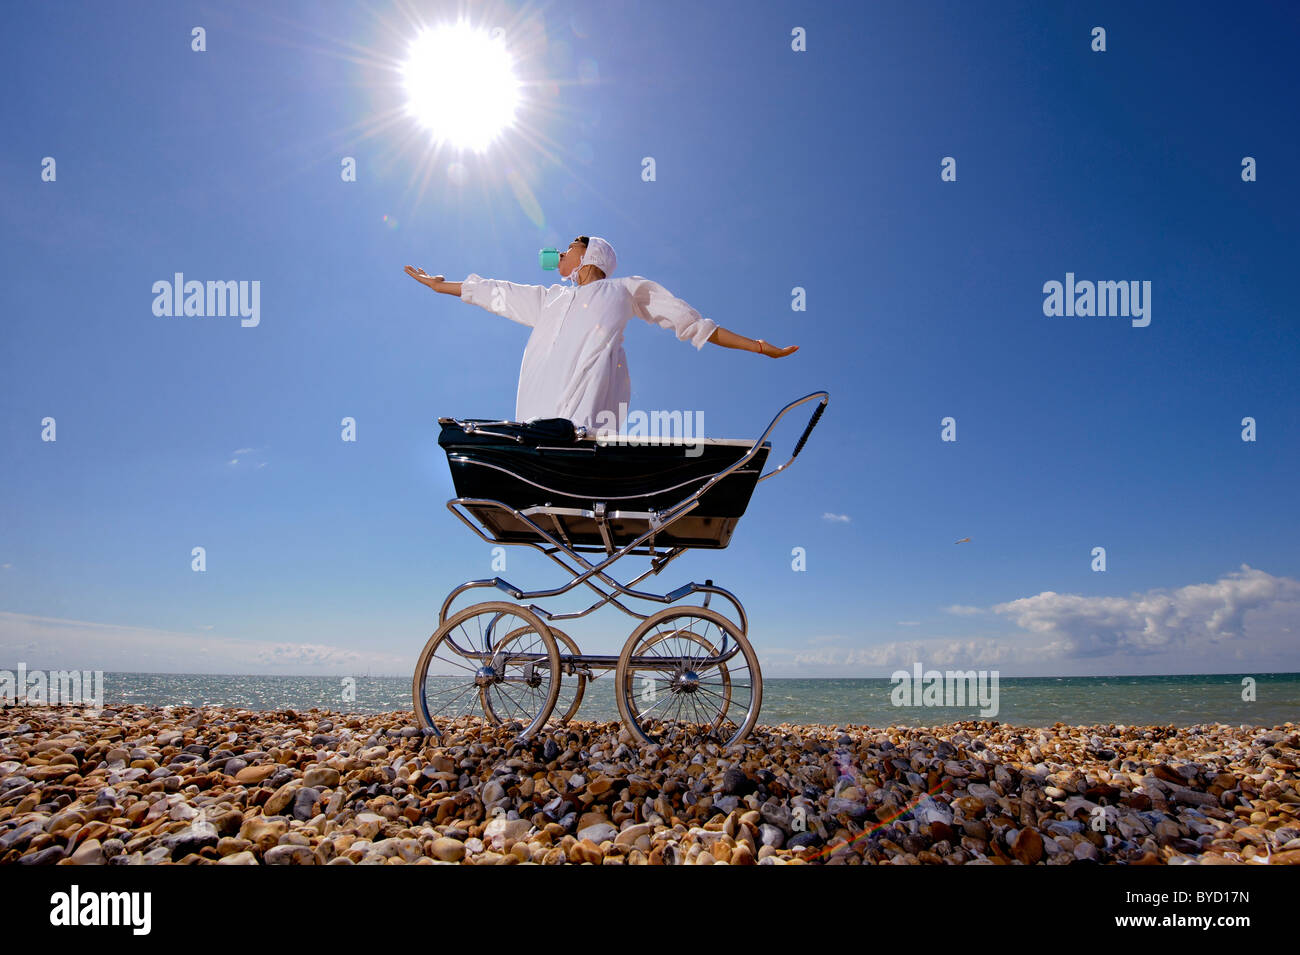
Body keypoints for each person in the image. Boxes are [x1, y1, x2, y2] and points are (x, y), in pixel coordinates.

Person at [404, 235, 797, 431]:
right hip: (534, 422)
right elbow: (496, 292)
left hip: (581, 424)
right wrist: (443, 285)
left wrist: (761, 348)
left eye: (571, 246)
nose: (561, 252)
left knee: (576, 427)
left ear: (589, 255)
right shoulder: (550, 299)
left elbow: (693, 325)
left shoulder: (625, 289)